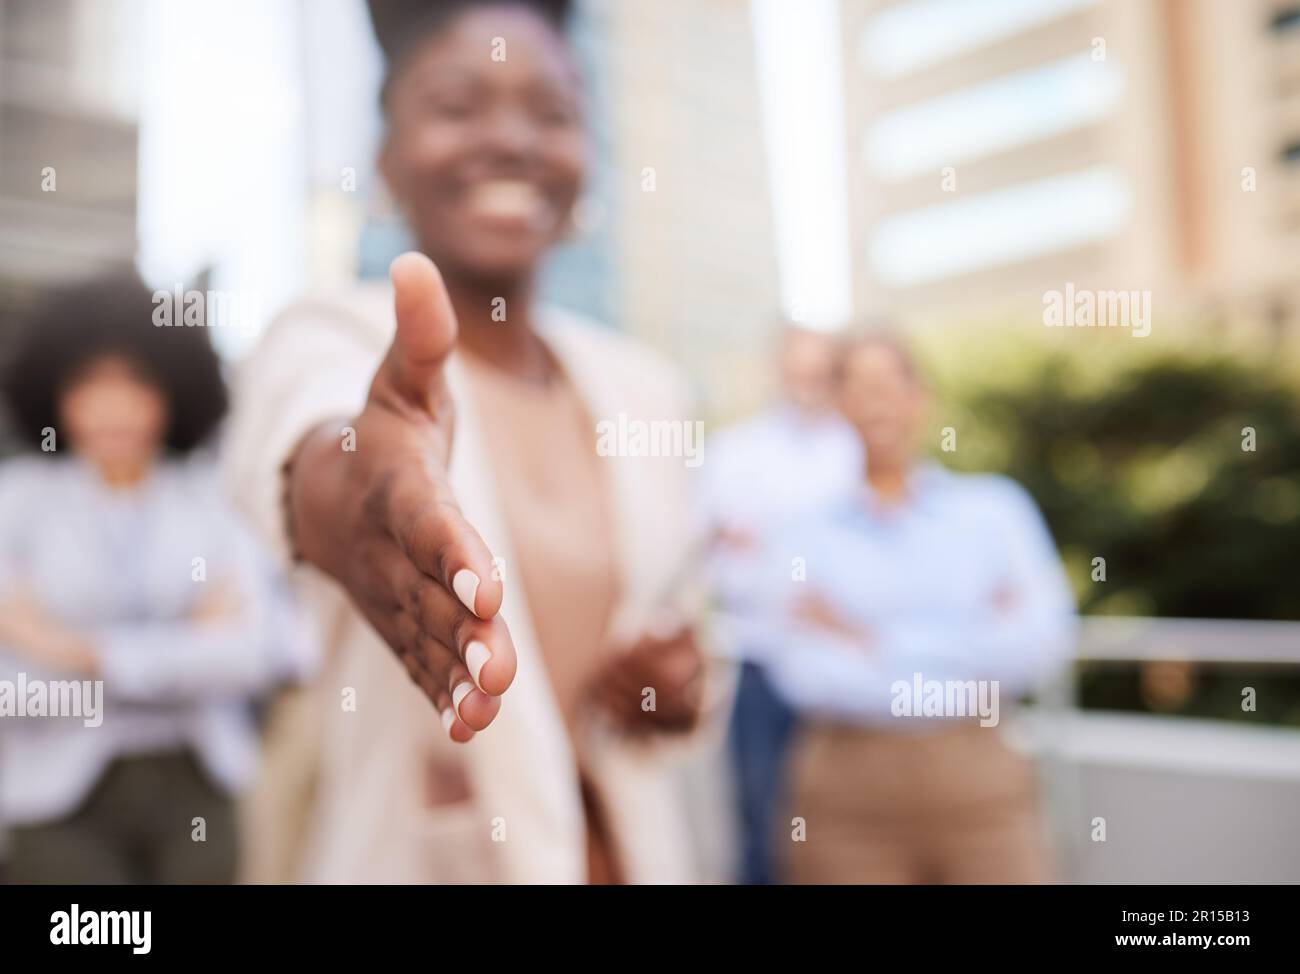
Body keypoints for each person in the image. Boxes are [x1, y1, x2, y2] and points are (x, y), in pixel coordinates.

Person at [224, 0, 718, 884]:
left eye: (551, 112)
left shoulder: (646, 387)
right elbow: (314, 458)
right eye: (457, 106)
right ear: (386, 159)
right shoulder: (327, 337)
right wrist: (365, 497)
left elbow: (683, 617)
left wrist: (675, 685)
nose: (511, 139)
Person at [0, 273, 296, 884]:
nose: (114, 407)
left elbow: (253, 653)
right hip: (58, 803)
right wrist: (180, 648)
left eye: (136, 382)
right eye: (90, 383)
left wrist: (76, 651)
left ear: (171, 390)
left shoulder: (212, 502)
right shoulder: (18, 505)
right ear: (56, 392)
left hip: (196, 792)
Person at [760, 332, 1076, 883]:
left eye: (890, 385)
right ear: (836, 405)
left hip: (980, 780)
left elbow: (1039, 645)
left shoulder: (994, 510)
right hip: (846, 793)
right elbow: (804, 673)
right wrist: (969, 648)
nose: (876, 404)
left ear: (920, 398)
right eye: (857, 388)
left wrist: (871, 641)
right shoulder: (802, 529)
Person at [702, 325, 860, 884]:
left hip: (848, 677)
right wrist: (801, 590)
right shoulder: (736, 451)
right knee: (763, 833)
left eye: (819, 371)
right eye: (798, 369)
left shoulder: (858, 450)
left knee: (850, 837)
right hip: (762, 667)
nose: (808, 382)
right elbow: (720, 563)